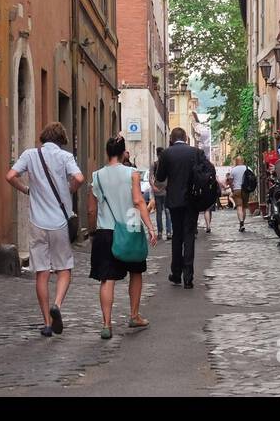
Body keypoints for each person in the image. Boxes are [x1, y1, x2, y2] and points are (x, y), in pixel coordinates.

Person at [5, 122, 84, 337]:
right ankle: (57, 304)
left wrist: (26, 190)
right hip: (59, 221)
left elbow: (10, 176)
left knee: (41, 272)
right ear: (61, 140)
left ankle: (47, 323)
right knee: (64, 269)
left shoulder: (30, 155)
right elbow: (79, 178)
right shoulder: (65, 157)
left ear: (44, 137)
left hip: (37, 222)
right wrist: (70, 190)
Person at [89, 135, 156, 339]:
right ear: (123, 152)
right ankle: (134, 315)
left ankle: (106, 324)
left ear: (107, 152)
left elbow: (91, 209)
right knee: (136, 272)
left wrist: (94, 231)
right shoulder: (132, 173)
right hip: (130, 228)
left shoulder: (97, 176)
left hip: (105, 231)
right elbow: (138, 201)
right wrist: (150, 227)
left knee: (107, 279)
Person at [155, 127, 211, 289]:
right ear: (186, 138)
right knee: (189, 236)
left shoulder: (166, 153)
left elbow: (160, 177)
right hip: (192, 200)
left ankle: (176, 273)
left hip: (174, 201)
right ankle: (189, 277)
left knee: (177, 237)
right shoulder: (196, 152)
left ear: (171, 139)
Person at [150, 146, 171, 238]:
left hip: (160, 191)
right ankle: (167, 232)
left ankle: (161, 232)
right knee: (166, 212)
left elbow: (150, 178)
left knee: (160, 212)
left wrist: (153, 187)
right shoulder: (165, 164)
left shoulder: (155, 164)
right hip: (164, 191)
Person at [228, 154, 251, 232]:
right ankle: (243, 223)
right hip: (245, 190)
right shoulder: (248, 168)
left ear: (236, 161)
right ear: (243, 161)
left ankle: (241, 222)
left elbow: (230, 181)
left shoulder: (233, 170)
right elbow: (252, 178)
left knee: (239, 207)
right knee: (244, 207)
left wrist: (232, 188)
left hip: (237, 189)